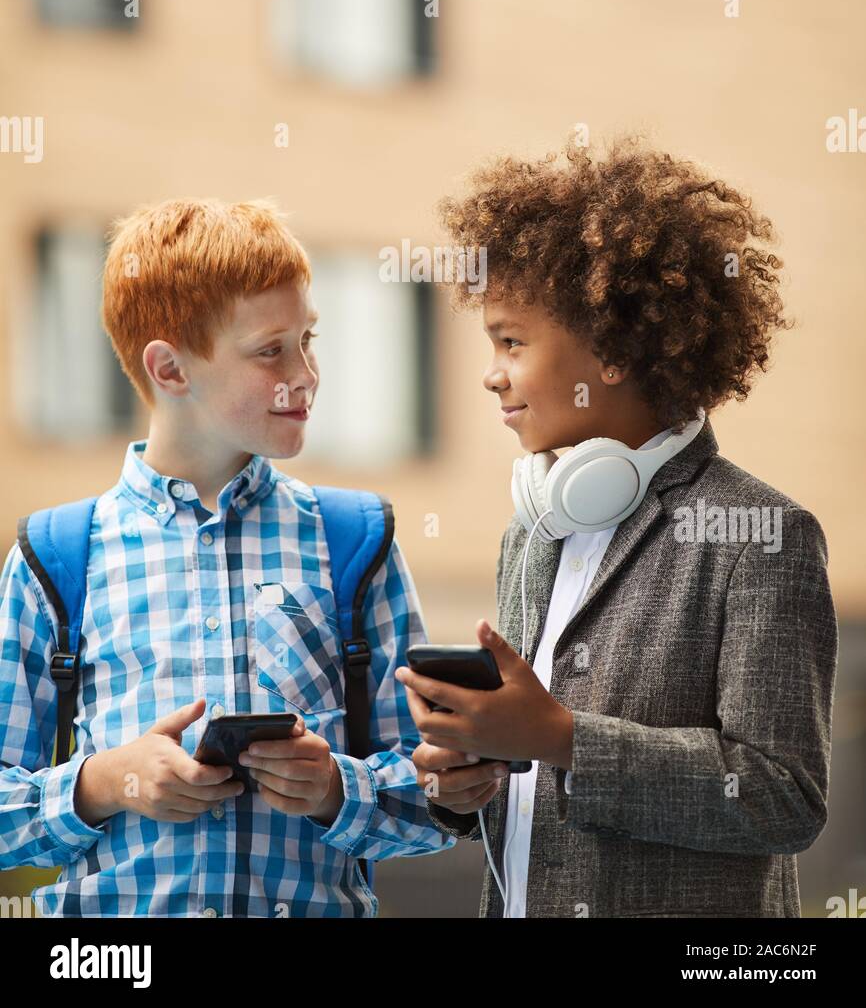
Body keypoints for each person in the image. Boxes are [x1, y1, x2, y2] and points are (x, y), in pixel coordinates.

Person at [397, 133, 838, 918]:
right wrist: (464, 785)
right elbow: (527, 790)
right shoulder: (533, 529)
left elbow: (782, 797)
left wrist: (565, 738)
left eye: (511, 340)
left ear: (612, 350)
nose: (491, 372)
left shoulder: (762, 537)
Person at [0, 197, 453, 916]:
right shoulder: (55, 559)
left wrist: (337, 789)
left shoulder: (353, 543)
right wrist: (106, 781)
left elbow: (440, 800)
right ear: (171, 369)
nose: (304, 373)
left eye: (309, 339)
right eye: (270, 350)